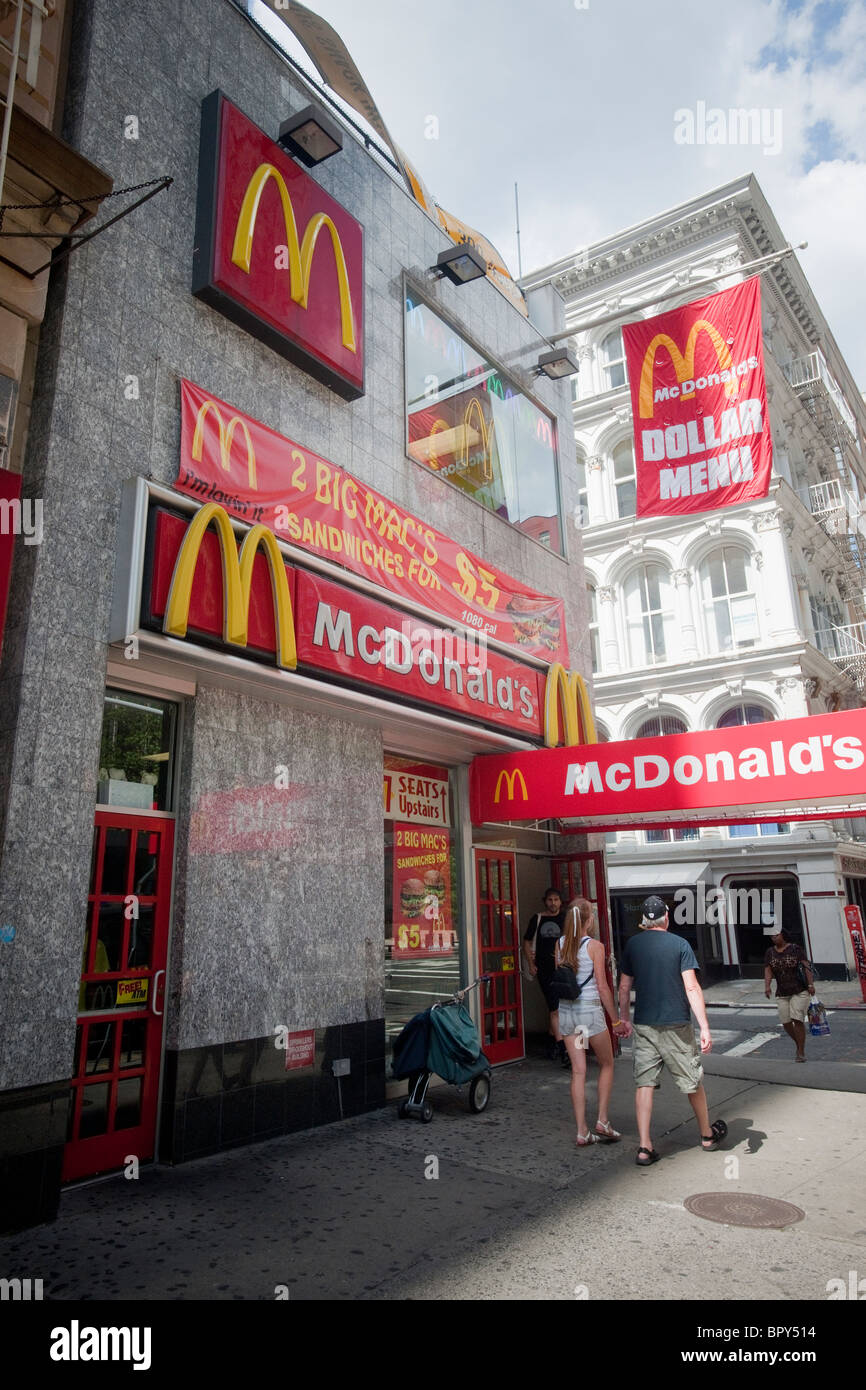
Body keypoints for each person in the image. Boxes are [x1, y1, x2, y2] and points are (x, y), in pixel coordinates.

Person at [617, 894, 726, 1167]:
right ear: (666, 916)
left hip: (644, 1023)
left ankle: (644, 1146)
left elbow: (624, 987)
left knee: (644, 1083)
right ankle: (706, 1135)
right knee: (691, 1080)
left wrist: (623, 1019)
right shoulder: (680, 944)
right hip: (677, 1022)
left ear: (644, 918)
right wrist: (705, 1026)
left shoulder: (633, 945)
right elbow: (691, 986)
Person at [556, 896, 623, 1147]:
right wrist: (615, 1021)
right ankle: (602, 1120)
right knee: (606, 1064)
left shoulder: (559, 944)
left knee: (578, 1071)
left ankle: (582, 1130)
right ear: (589, 920)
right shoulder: (595, 946)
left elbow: (562, 981)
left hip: (567, 1013)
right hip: (589, 1012)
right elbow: (603, 987)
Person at [523, 887, 566, 1061]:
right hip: (544, 969)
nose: (553, 903)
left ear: (560, 902)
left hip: (563, 969)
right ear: (545, 901)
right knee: (555, 1007)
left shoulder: (566, 919)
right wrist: (531, 964)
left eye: (556, 899)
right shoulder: (537, 918)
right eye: (550, 900)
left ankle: (551, 1043)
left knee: (559, 1008)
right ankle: (563, 1049)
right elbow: (526, 942)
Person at [764, 927, 814, 1062]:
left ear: (783, 935)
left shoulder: (795, 949)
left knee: (797, 1019)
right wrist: (767, 986)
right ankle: (798, 1044)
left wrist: (810, 984)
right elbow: (768, 969)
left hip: (799, 990)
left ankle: (801, 1051)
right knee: (786, 1021)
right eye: (772, 936)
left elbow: (806, 966)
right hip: (782, 992)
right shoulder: (770, 952)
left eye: (776, 935)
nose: (774, 937)